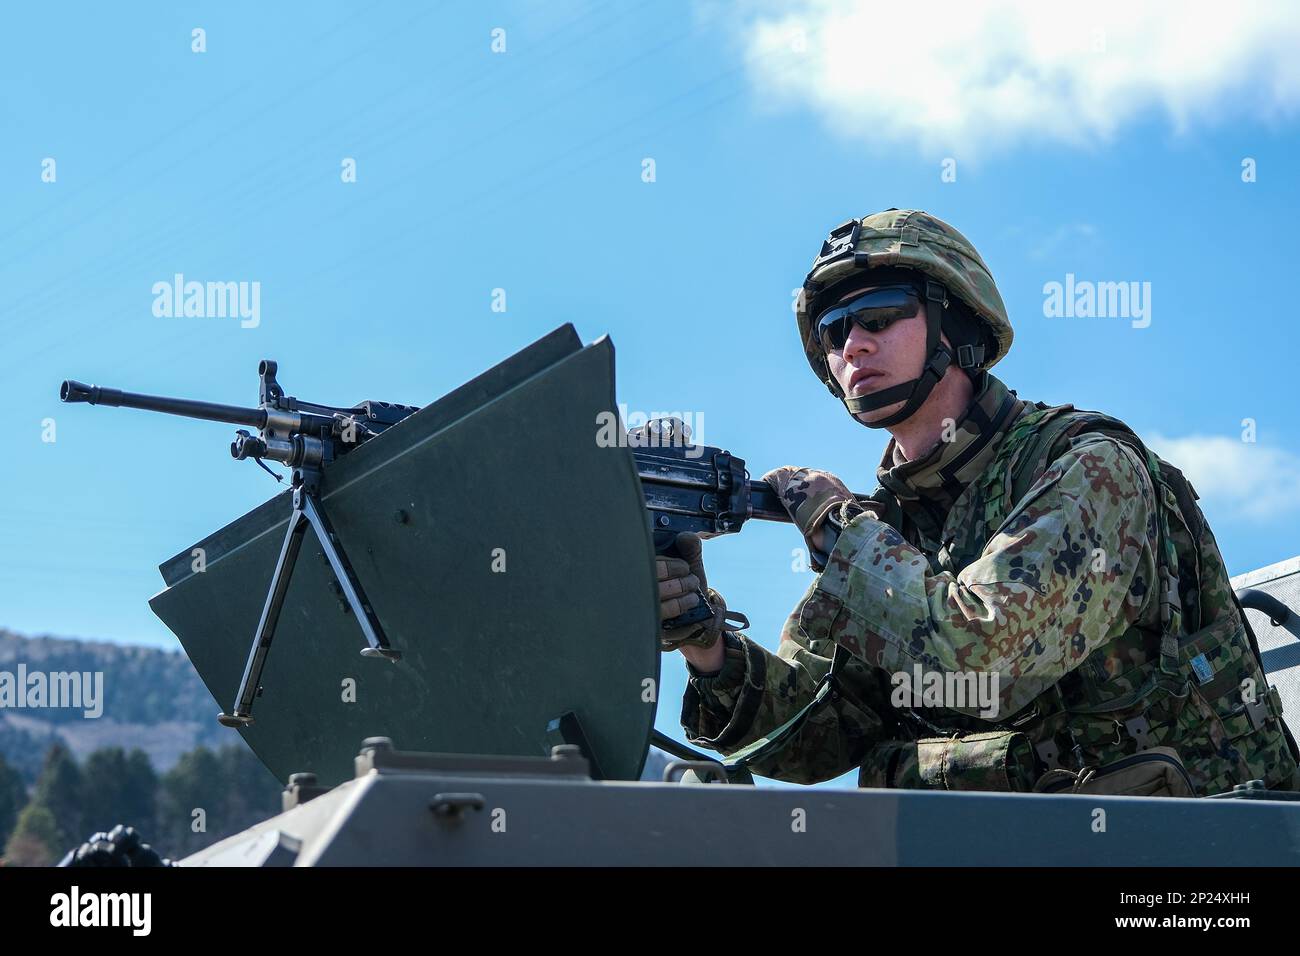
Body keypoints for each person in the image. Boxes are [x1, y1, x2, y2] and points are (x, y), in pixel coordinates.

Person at [657, 208, 1299, 796]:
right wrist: (706, 643)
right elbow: (820, 736)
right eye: (833, 330)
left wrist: (834, 527)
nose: (851, 345)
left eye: (878, 315)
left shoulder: (1088, 467)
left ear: (954, 325)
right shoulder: (890, 528)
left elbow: (990, 656)